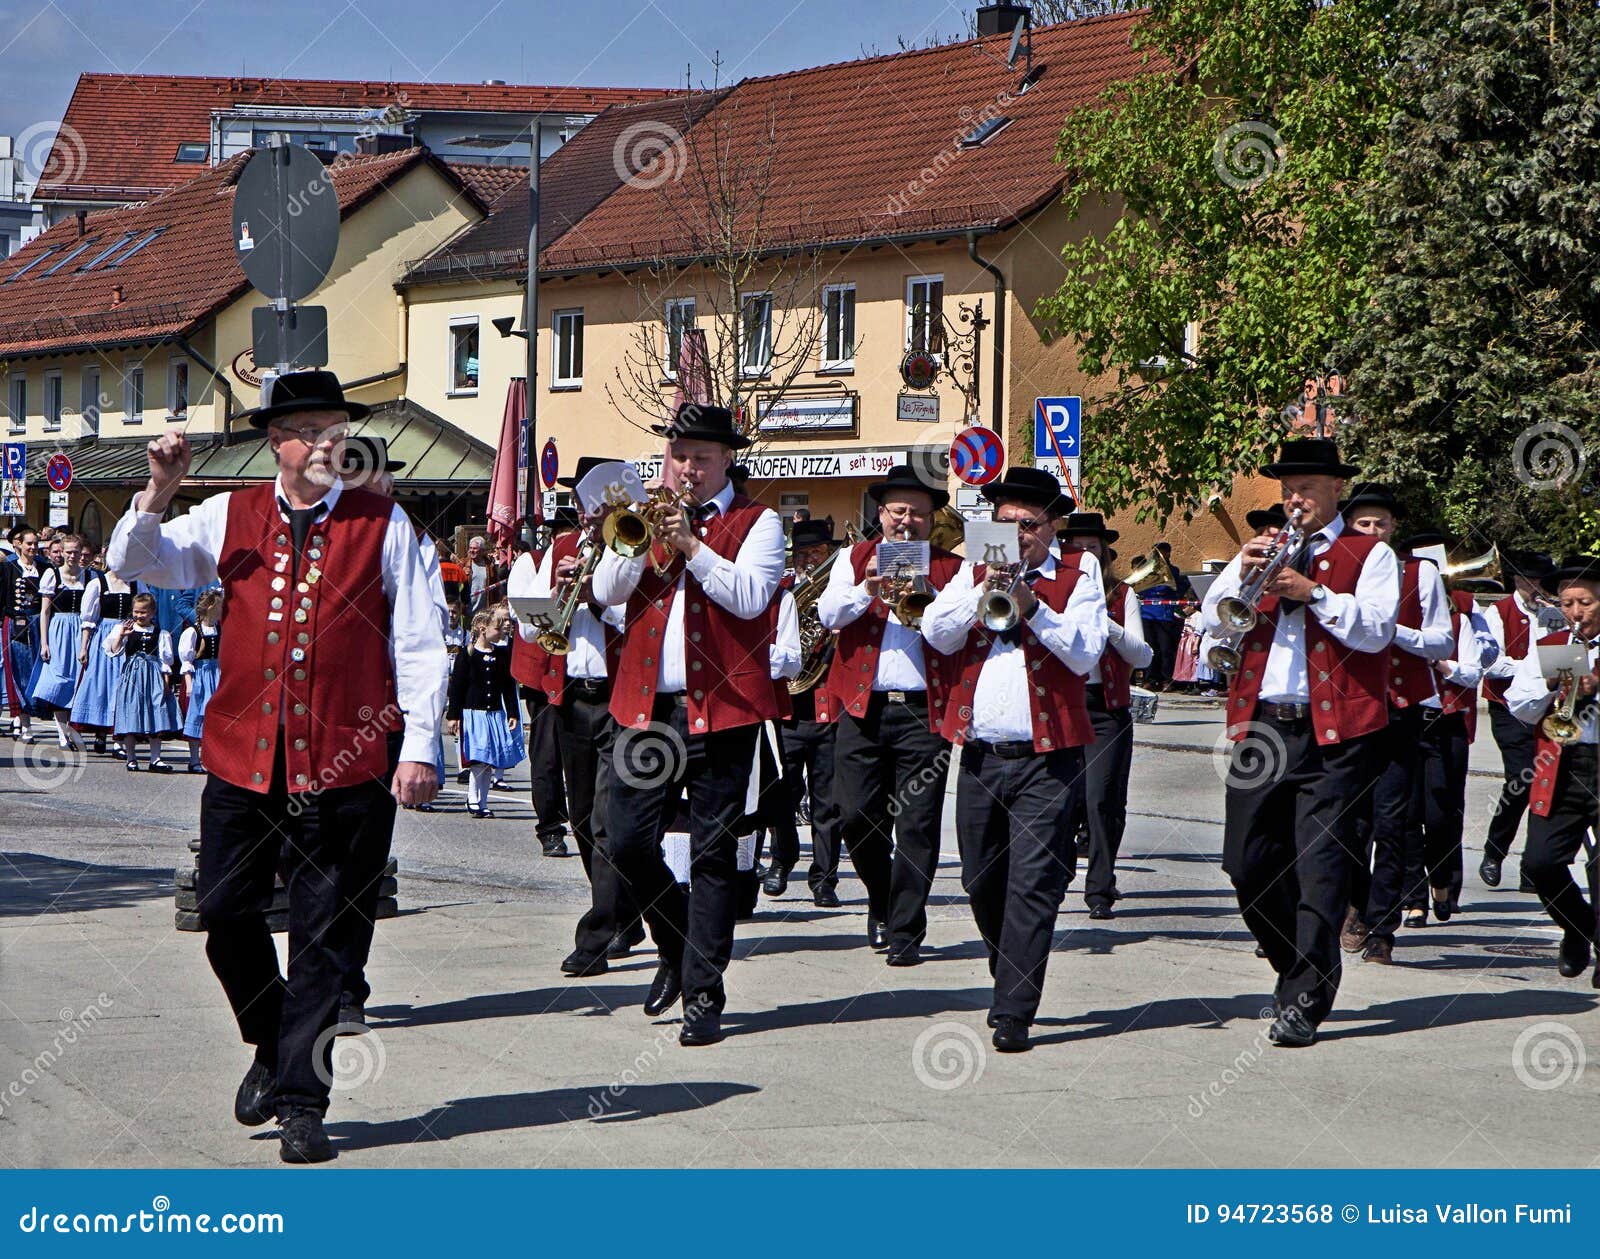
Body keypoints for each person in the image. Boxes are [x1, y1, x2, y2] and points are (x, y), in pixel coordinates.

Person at [107, 369, 446, 1163]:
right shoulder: (231, 514)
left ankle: (302, 1099)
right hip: (243, 758)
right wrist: (158, 489)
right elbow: (139, 563)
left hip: (345, 762)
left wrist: (422, 746)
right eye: (315, 431)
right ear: (278, 442)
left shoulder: (385, 522)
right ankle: (270, 1037)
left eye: (339, 429)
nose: (331, 443)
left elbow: (422, 644)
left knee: (326, 939)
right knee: (225, 912)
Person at [589, 402, 784, 1047]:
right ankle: (675, 945)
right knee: (625, 843)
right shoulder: (646, 516)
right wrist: (636, 538)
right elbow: (606, 591)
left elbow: (751, 599)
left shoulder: (760, 523)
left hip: (723, 713)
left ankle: (703, 991)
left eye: (700, 458)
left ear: (728, 460)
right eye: (679, 456)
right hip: (647, 712)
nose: (687, 468)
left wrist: (692, 547)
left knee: (712, 854)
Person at [1201, 439, 1398, 1047]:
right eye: (1288, 489)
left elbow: (1376, 632)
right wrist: (1242, 567)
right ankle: (1296, 964)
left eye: (1306, 488)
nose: (1294, 499)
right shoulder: (1262, 549)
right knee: (1245, 863)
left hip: (1334, 734)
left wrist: (1312, 592)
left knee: (1320, 871)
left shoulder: (1370, 554)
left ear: (1335, 490)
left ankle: (1305, 999)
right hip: (1260, 724)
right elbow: (1212, 620)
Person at [923, 467, 1108, 1052]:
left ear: (1051, 526)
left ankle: (1013, 1009)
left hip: (1047, 759)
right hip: (980, 754)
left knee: (1032, 884)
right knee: (981, 880)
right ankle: (1012, 969)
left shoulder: (1080, 574)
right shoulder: (972, 571)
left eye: (1027, 525)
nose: (1017, 534)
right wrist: (981, 596)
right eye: (1005, 524)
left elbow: (1083, 655)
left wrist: (1034, 607)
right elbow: (936, 634)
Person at [817, 463, 964, 964]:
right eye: (899, 511)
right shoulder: (852, 559)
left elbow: (962, 632)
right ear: (881, 514)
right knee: (856, 818)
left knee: (918, 825)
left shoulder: (954, 568)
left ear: (932, 519)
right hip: (862, 709)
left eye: (919, 514)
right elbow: (829, 615)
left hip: (925, 713)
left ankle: (906, 929)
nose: (907, 521)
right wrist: (869, 589)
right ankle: (881, 900)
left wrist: (931, 594)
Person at [1338, 487, 1452, 960]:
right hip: (1348, 711)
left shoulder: (1419, 572)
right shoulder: (1336, 566)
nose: (1373, 532)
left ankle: (1382, 928)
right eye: (1363, 524)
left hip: (1401, 710)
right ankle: (1356, 906)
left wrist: (1389, 629)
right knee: (1346, 823)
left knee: (1392, 821)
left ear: (1394, 529)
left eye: (1381, 524)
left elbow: (1442, 642)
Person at [1505, 554, 1600, 986]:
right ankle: (1578, 928)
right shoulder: (1553, 646)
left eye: (1585, 603)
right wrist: (1550, 684)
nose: (1576, 613)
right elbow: (1519, 707)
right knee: (1540, 863)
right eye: (1567, 603)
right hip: (1562, 764)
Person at [1057, 512, 1152, 919]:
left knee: (1101, 801)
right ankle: (1056, 876)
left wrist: (1108, 627)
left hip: (1105, 708)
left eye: (1090, 547)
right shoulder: (1053, 590)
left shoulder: (1121, 595)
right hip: (1062, 705)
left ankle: (1100, 888)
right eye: (1074, 547)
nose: (1083, 553)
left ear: (1104, 552)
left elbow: (1143, 655)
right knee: (1062, 800)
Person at [764, 517, 843, 906]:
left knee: (828, 801)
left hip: (830, 709)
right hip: (789, 709)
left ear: (829, 553)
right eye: (803, 554)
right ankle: (782, 862)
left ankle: (824, 878)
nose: (811, 560)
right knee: (783, 794)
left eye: (817, 553)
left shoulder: (840, 597)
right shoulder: (780, 595)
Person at [1479, 551, 1562, 890]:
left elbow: (1565, 663)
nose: (1537, 589)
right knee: (1521, 779)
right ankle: (1494, 851)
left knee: (1548, 783)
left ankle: (1533, 866)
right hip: (1507, 707)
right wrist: (1531, 668)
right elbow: (1491, 664)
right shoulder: (1497, 612)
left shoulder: (1555, 615)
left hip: (1546, 708)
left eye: (1543, 583)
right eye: (1531, 582)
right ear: (1517, 581)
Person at [508, 508, 581, 857]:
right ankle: (549, 826)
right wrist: (557, 594)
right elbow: (521, 612)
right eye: (562, 533)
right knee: (547, 753)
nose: (566, 540)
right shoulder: (530, 562)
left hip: (576, 668)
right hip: (541, 668)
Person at [446, 604, 523, 818]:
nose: (501, 632)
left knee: (490, 761)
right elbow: (457, 688)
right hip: (473, 715)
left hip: (494, 714)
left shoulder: (501, 654)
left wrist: (513, 713)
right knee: (478, 760)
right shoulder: (467, 655)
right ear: (482, 628)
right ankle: (472, 798)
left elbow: (508, 687)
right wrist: (453, 715)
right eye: (497, 628)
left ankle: (483, 801)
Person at [104, 592, 180, 770]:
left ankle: (155, 758)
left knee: (156, 714)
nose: (139, 616)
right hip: (132, 677)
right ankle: (131, 757)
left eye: (143, 612)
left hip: (153, 677)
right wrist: (122, 635)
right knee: (131, 714)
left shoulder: (161, 633)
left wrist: (167, 682)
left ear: (152, 612)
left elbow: (165, 662)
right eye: (136, 612)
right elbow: (113, 652)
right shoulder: (125, 629)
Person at [32, 533, 90, 750]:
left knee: (77, 679)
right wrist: (44, 642)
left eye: (77, 552)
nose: (73, 556)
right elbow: (45, 612)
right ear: (62, 553)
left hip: (81, 630)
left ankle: (71, 730)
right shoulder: (52, 574)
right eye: (69, 552)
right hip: (58, 630)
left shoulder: (89, 576)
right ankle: (62, 732)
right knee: (57, 680)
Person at [73, 566, 139, 753]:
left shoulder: (137, 584)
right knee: (102, 685)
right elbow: (88, 620)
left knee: (122, 686)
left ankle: (119, 739)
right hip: (104, 638)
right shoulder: (98, 584)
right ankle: (100, 732)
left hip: (128, 637)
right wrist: (84, 647)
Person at [1, 525, 48, 741]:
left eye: (35, 544)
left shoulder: (44, 568)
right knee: (18, 671)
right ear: (20, 545)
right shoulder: (9, 568)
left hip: (38, 623)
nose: (32, 548)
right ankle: (24, 721)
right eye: (29, 544)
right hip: (15, 623)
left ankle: (32, 714)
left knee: (37, 671)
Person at [178, 588, 224, 773]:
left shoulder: (219, 628)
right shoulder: (193, 631)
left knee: (215, 718)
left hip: (217, 674)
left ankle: (211, 759)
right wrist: (189, 683)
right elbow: (187, 660)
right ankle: (194, 759)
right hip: (201, 675)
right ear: (211, 607)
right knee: (197, 715)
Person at [467, 535, 492, 614]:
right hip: (467, 611)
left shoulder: (490, 566)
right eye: (470, 548)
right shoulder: (464, 564)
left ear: (482, 550)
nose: (472, 550)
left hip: (484, 612)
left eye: (475, 548)